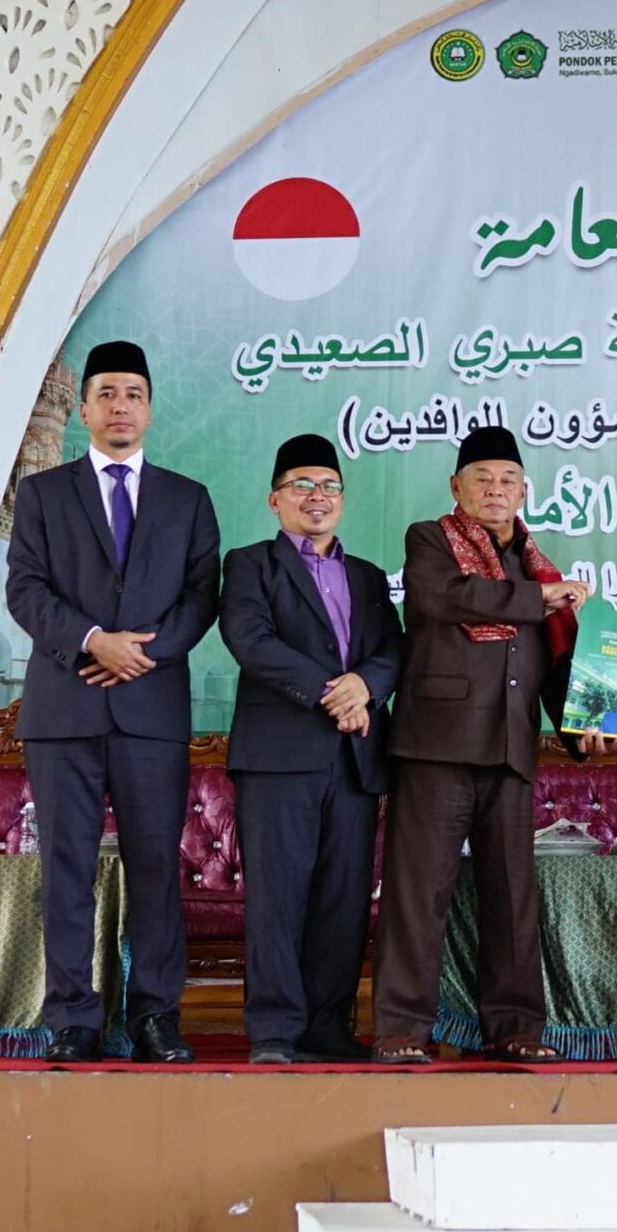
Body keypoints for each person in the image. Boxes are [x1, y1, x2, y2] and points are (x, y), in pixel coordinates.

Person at [5, 340, 220, 1064]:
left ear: (150, 409)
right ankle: (73, 1018)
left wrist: (143, 652)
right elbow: (25, 591)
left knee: (157, 865)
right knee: (65, 865)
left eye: (133, 393)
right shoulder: (43, 494)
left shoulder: (187, 498)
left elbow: (202, 597)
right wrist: (94, 639)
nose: (120, 406)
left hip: (151, 710)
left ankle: (155, 1016)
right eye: (107, 393)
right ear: (86, 410)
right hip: (64, 709)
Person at [373, 426, 593, 1064]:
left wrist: (583, 731)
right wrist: (539, 597)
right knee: (419, 893)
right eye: (482, 480)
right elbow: (444, 597)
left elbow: (549, 660)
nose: (496, 491)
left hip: (511, 746)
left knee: (512, 896)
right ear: (456, 487)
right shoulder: (431, 540)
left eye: (507, 481)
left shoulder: (534, 562)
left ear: (524, 490)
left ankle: (516, 1028)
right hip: (437, 745)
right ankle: (401, 1030)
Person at [218, 434, 402, 1064]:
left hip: (353, 760)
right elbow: (250, 639)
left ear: (343, 502)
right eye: (302, 486)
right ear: (275, 499)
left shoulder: (368, 577)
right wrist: (335, 692)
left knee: (342, 901)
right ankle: (274, 1030)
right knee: (278, 897)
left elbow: (393, 651)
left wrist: (366, 686)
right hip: (277, 758)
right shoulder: (249, 565)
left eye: (328, 487)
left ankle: (327, 1026)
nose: (316, 497)